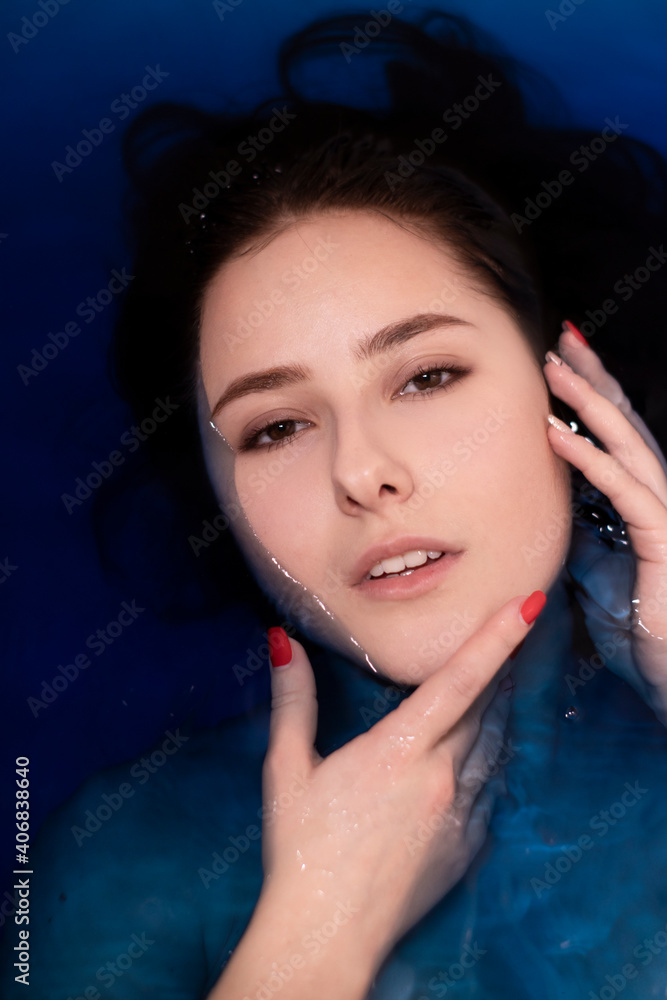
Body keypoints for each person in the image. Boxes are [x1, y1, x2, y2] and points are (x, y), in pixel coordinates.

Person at [3, 10, 667, 999]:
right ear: (214, 498)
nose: (362, 470)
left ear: (570, 385)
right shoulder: (129, 860)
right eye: (275, 428)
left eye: (427, 374)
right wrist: (311, 937)